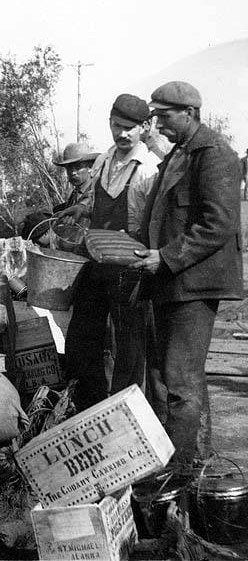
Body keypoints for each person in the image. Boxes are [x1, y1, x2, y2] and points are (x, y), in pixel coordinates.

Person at [132, 81, 243, 473]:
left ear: (190, 113)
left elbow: (219, 224)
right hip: (172, 281)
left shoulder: (215, 154)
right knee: (165, 378)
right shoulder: (180, 153)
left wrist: (164, 257)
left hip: (194, 285)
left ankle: (179, 473)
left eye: (164, 116)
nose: (158, 125)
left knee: (180, 381)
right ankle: (182, 462)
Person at [58, 94, 160, 411]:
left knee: (130, 346)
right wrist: (81, 208)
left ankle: (124, 411)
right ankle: (90, 405)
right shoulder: (104, 160)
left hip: (130, 265)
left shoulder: (149, 168)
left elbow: (155, 220)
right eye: (117, 126)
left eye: (130, 128)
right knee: (82, 335)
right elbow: (94, 200)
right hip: (98, 261)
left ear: (144, 127)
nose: (122, 134)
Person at [53, 142, 100, 213]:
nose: (73, 172)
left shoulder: (97, 191)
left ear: (90, 167)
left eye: (78, 167)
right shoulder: (75, 193)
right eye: (69, 168)